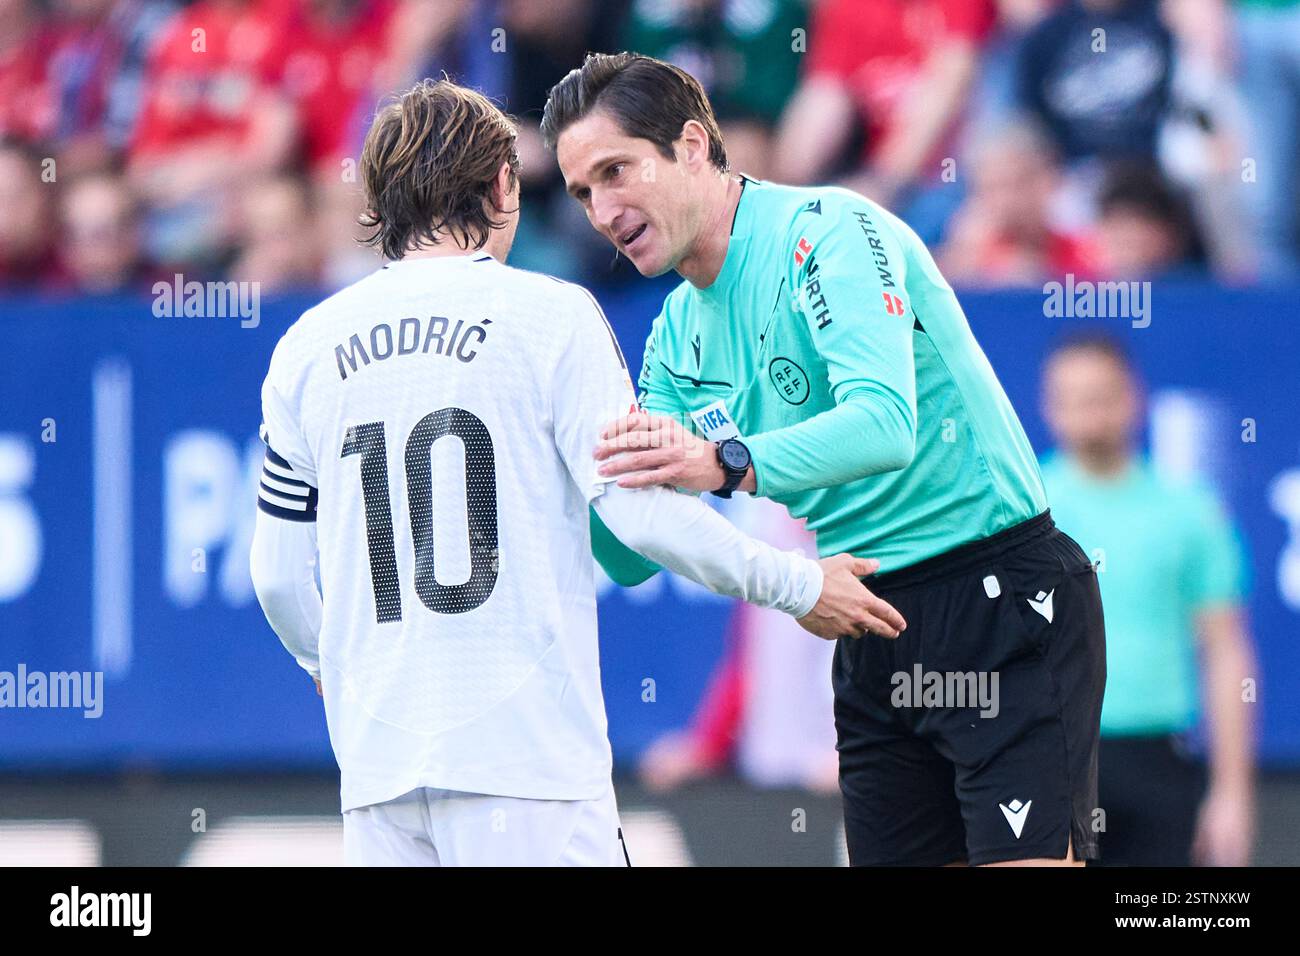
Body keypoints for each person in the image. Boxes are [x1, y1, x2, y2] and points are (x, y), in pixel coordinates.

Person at [248, 78, 902, 867]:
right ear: (502, 186)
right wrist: (799, 585)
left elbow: (280, 578)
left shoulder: (305, 350)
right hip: (530, 768)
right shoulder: (551, 317)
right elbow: (640, 513)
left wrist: (324, 662)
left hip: (380, 777)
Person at [543, 52, 1106, 866]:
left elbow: (884, 427)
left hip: (998, 596)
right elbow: (632, 551)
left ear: (693, 147)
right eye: (583, 191)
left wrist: (721, 460)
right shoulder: (672, 334)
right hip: (865, 616)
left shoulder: (830, 229)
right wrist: (554, 482)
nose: (601, 208)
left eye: (616, 170)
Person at [1039, 333, 1256, 866]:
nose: (1088, 414)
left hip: (1159, 761)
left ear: (1134, 397)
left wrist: (1232, 794)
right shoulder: (1023, 511)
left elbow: (1226, 650)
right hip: (1046, 756)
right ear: (1050, 406)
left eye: (1101, 396)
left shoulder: (1189, 511)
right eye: (1073, 398)